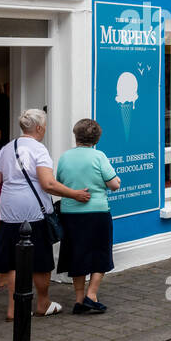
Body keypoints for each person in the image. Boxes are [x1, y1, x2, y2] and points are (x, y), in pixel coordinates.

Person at [0, 109, 89, 320]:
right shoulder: (39, 149)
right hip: (34, 210)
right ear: (40, 128)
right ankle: (43, 303)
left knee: (13, 261)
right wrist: (74, 194)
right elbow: (48, 183)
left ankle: (12, 310)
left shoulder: (7, 148)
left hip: (9, 210)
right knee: (41, 260)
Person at [55, 118, 121, 314]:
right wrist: (114, 179)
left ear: (76, 136)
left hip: (70, 213)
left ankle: (78, 300)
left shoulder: (65, 157)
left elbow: (60, 182)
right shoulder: (99, 156)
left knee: (78, 254)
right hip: (96, 212)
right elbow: (114, 184)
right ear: (97, 138)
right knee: (100, 253)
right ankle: (91, 295)